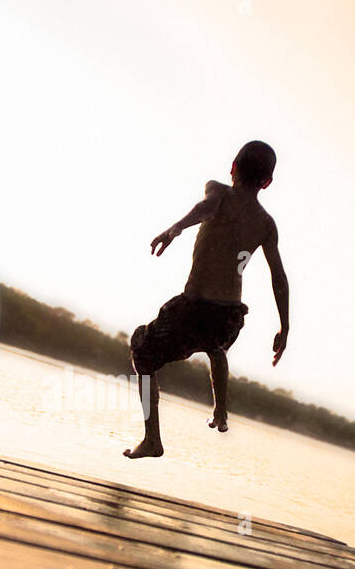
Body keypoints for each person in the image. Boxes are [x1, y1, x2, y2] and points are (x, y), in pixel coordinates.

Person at [123, 141, 290, 458]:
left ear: (232, 168)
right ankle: (221, 411)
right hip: (228, 319)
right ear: (267, 182)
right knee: (216, 346)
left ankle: (152, 440)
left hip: (194, 310)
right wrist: (285, 326)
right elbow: (278, 277)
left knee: (141, 349)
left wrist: (176, 228)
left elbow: (206, 209)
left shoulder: (219, 191)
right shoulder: (266, 224)